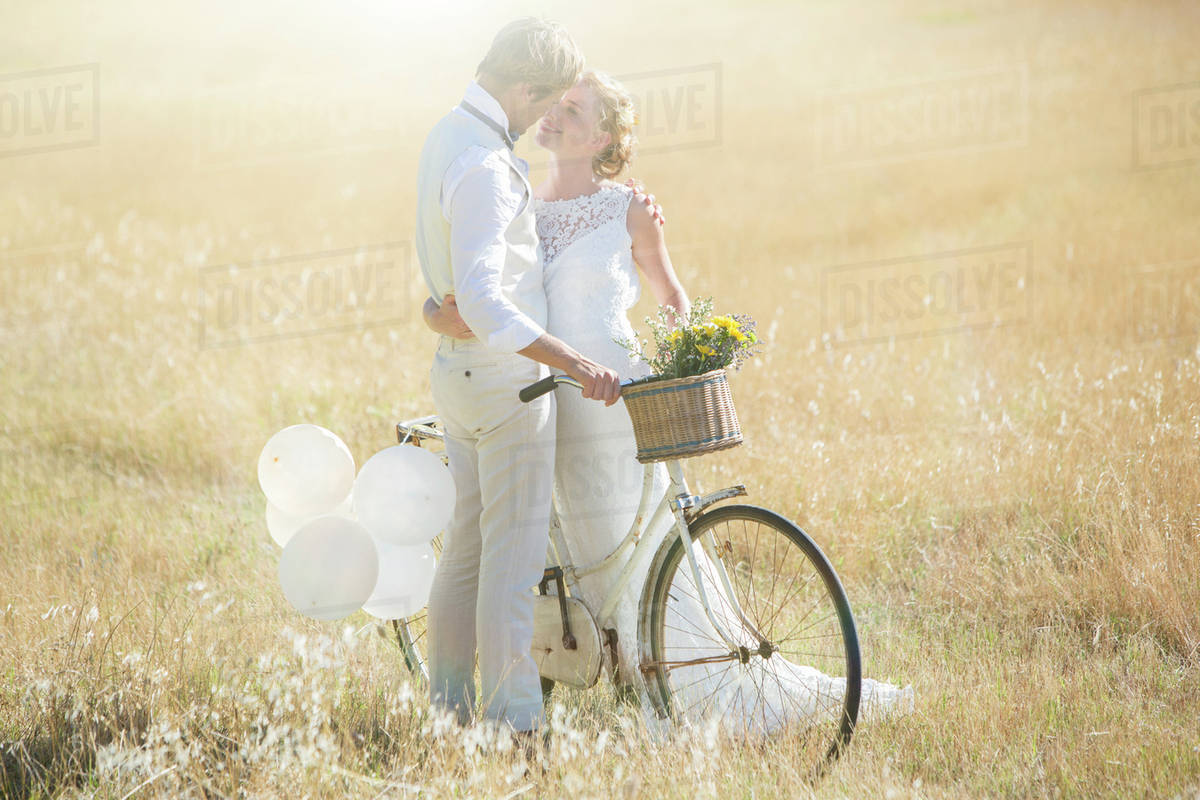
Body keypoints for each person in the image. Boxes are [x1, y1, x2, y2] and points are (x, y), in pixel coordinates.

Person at [424, 68, 914, 734]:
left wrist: (688, 352)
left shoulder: (626, 208)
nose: (556, 114)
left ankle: (680, 678)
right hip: (553, 397)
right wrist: (436, 312)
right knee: (575, 549)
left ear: (603, 136)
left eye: (574, 109)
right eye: (556, 104)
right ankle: (612, 670)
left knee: (640, 537)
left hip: (619, 397)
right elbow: (490, 292)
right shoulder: (518, 209)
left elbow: (672, 298)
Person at [414, 18, 623, 738]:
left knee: (466, 554)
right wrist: (573, 361)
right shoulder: (483, 164)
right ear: (524, 87)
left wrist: (434, 309)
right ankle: (518, 731)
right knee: (509, 572)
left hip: (462, 378)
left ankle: (446, 714)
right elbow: (478, 294)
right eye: (544, 104)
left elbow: (453, 284)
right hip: (509, 389)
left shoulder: (447, 132)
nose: (542, 120)